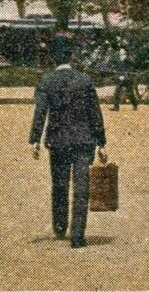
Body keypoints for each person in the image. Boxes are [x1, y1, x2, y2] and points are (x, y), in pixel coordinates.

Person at [29, 34, 106, 248]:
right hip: (84, 141)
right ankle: (78, 236)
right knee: (82, 188)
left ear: (53, 58)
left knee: (60, 184)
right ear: (71, 56)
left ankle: (60, 226)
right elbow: (95, 113)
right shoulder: (85, 80)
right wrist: (101, 142)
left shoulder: (46, 81)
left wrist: (35, 140)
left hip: (58, 140)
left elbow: (40, 112)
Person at [110, 39, 138, 111]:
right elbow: (119, 68)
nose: (121, 54)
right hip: (122, 77)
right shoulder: (119, 60)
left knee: (128, 93)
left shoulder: (128, 60)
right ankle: (117, 107)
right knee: (118, 92)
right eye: (120, 52)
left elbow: (132, 66)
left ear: (125, 53)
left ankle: (134, 104)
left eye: (123, 53)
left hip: (127, 78)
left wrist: (125, 75)